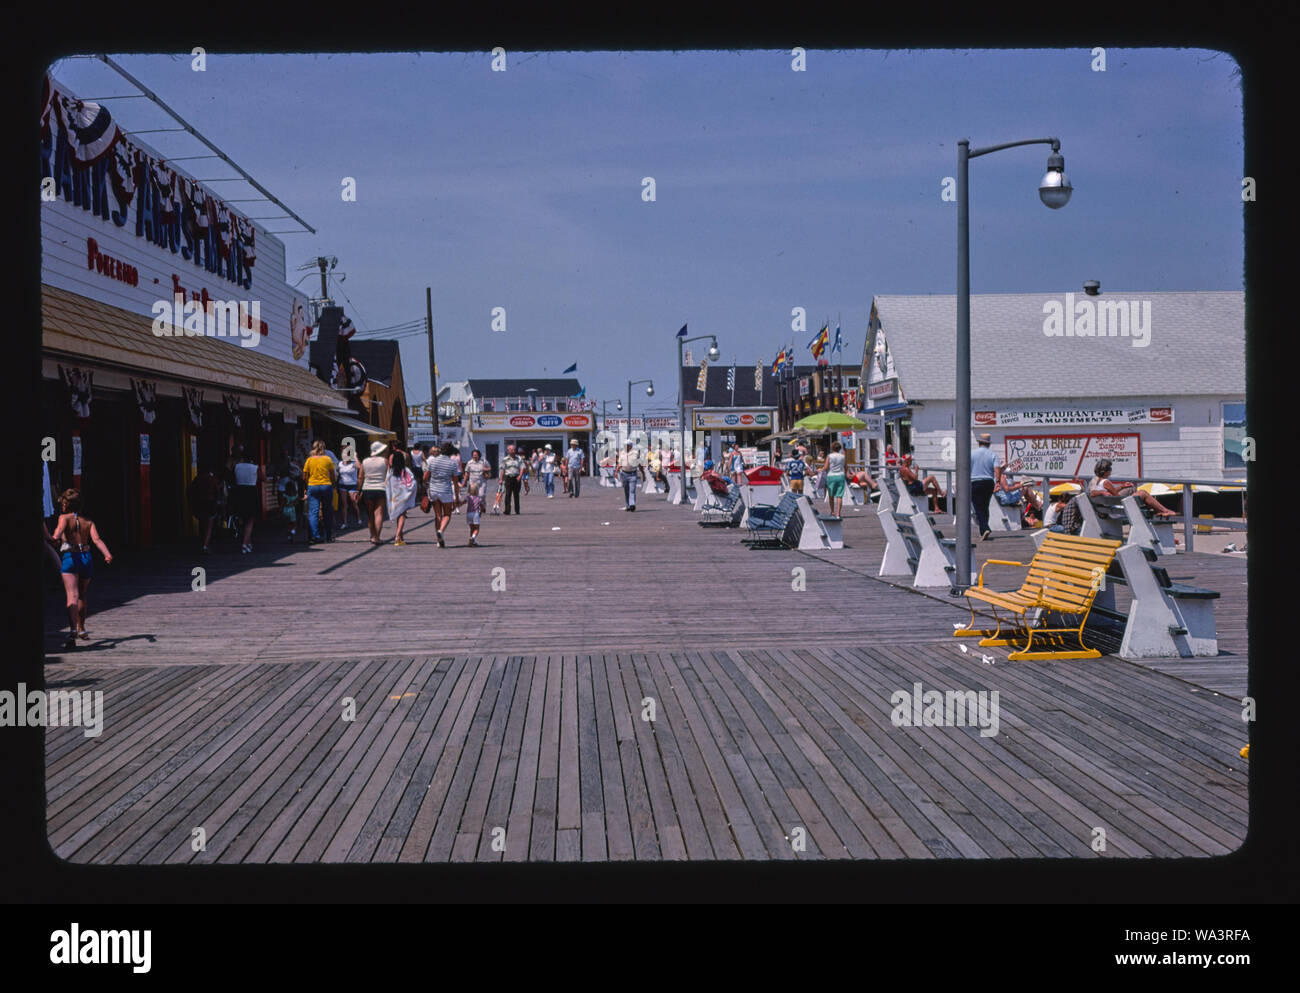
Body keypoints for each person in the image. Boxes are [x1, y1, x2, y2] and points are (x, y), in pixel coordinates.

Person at [51, 489, 112, 649]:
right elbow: (97, 540)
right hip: (86, 557)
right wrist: (107, 554)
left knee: (72, 595)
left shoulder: (64, 518)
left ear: (66, 504)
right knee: (82, 595)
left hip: (71, 557)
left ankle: (72, 631)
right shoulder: (88, 521)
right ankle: (82, 628)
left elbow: (57, 532)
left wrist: (53, 539)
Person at [1088, 458, 1177, 517]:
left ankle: (1161, 510)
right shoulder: (1106, 482)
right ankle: (1165, 510)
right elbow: (1117, 496)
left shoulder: (1096, 481)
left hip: (1110, 510)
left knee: (1139, 493)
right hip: (1119, 509)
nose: (1111, 471)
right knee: (1142, 492)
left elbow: (1094, 493)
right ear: (1106, 471)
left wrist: (1122, 487)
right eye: (1110, 469)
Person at [424, 441, 462, 547]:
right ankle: (441, 531)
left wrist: (427, 485)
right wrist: (457, 497)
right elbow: (455, 482)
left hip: (434, 491)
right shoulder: (452, 464)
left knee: (437, 516)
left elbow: (425, 477)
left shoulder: (432, 461)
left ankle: (438, 540)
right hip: (446, 491)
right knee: (447, 515)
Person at [302, 440, 337, 545]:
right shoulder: (328, 459)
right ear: (323, 448)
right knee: (327, 512)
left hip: (312, 486)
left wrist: (307, 485)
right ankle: (328, 536)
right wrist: (333, 485)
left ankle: (315, 536)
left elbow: (304, 476)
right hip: (326, 486)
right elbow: (332, 475)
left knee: (313, 513)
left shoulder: (309, 460)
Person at [231, 445, 264, 553]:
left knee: (242, 518)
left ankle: (248, 543)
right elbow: (263, 478)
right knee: (250, 520)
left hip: (239, 492)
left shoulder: (237, 466)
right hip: (251, 492)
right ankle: (244, 544)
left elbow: (233, 478)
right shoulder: (255, 467)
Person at [386, 445, 418, 546]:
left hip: (395, 497)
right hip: (404, 496)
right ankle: (397, 536)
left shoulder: (391, 472)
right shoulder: (406, 471)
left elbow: (387, 484)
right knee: (402, 515)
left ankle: (401, 536)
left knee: (399, 515)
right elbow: (413, 483)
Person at [359, 441, 390, 544]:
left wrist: (358, 490)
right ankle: (377, 537)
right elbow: (388, 476)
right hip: (381, 489)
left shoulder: (365, 461)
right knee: (379, 513)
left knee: (370, 515)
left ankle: (372, 535)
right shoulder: (385, 461)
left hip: (367, 489)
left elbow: (360, 477)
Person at [970, 433, 998, 540]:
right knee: (985, 506)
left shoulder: (972, 454)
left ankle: (985, 528)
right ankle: (983, 531)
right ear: (988, 444)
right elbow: (997, 469)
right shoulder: (992, 454)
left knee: (978, 507)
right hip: (989, 482)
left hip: (975, 482)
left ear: (979, 442)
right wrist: (998, 481)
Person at [187, 465, 220, 553]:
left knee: (202, 523)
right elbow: (217, 490)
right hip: (210, 502)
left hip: (200, 502)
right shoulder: (212, 479)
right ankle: (205, 545)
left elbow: (190, 490)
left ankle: (202, 542)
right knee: (209, 525)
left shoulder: (197, 479)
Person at [336, 447, 362, 529]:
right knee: (344, 504)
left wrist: (356, 456)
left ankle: (358, 519)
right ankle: (345, 523)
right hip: (342, 484)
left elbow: (360, 467)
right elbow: (337, 473)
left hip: (352, 485)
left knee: (354, 502)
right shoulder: (340, 463)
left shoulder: (354, 463)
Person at [278, 464, 303, 542]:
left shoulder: (284, 495)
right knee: (294, 524)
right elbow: (297, 502)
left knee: (288, 524)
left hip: (285, 510)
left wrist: (280, 509)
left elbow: (282, 503)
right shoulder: (295, 496)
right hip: (292, 510)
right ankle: (293, 531)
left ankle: (289, 536)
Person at [618, 440, 645, 510]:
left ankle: (632, 504)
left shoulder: (635, 453)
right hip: (624, 473)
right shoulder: (622, 453)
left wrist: (643, 473)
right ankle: (628, 505)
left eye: (626, 445)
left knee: (632, 490)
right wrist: (616, 471)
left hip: (633, 474)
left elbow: (639, 464)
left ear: (630, 446)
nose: (625, 447)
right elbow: (619, 463)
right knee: (626, 490)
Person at [824, 441, 848, 517]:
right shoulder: (843, 456)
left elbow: (826, 467)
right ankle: (838, 513)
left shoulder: (829, 456)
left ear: (832, 448)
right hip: (840, 476)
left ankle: (832, 512)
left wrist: (820, 470)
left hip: (831, 476)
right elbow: (846, 467)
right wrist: (845, 473)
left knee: (831, 495)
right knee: (839, 496)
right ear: (839, 448)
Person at [500, 444, 524, 515]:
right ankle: (507, 510)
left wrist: (520, 476)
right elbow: (502, 470)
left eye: (514, 449)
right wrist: (501, 479)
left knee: (516, 495)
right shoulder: (505, 459)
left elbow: (522, 468)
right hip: (508, 478)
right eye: (511, 449)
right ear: (508, 451)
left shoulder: (519, 458)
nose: (513, 451)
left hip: (516, 478)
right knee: (508, 494)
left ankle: (517, 510)